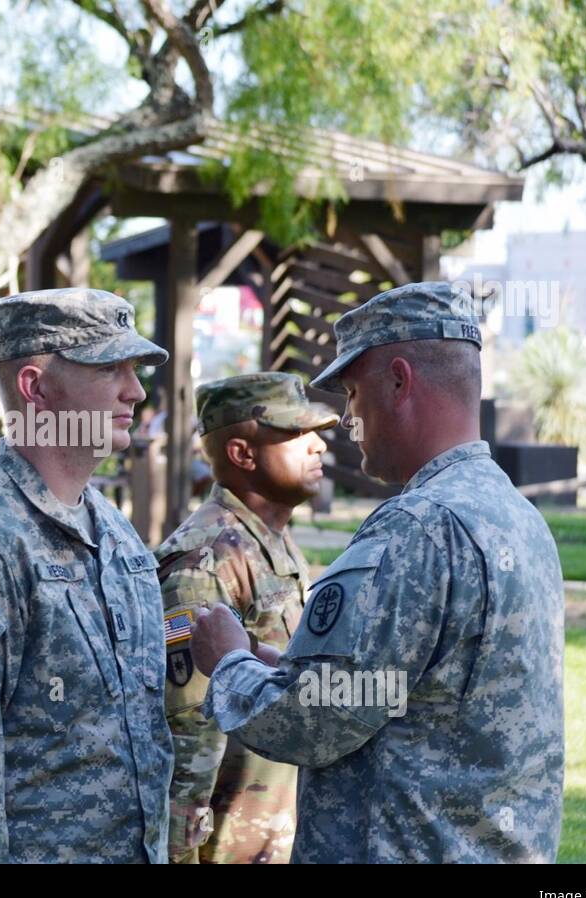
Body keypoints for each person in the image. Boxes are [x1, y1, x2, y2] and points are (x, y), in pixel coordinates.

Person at [191, 281, 565, 863]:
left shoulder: (417, 528)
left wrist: (229, 662)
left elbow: (311, 723)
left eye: (352, 392)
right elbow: (422, 694)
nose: (347, 419)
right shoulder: (517, 517)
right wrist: (287, 669)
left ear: (398, 380)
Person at [0, 288, 174, 863]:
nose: (136, 391)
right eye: (109, 368)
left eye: (134, 369)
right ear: (35, 386)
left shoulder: (116, 535)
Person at [156, 372, 338, 863]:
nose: (318, 445)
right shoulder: (207, 560)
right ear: (242, 454)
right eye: (296, 434)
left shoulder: (270, 539)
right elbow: (189, 735)